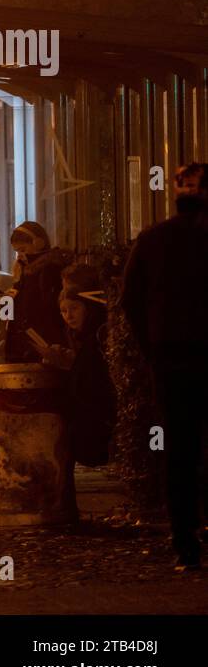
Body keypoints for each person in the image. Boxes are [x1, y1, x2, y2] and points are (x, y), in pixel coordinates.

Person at [120, 162, 208, 570]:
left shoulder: (154, 240)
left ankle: (185, 540)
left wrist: (151, 348)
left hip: (172, 357)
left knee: (180, 449)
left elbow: (130, 301)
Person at [41, 286, 115, 469]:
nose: (69, 316)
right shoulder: (82, 338)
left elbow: (90, 383)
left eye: (74, 308)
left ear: (87, 308)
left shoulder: (96, 338)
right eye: (64, 311)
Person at [4, 220, 70, 363]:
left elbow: (46, 307)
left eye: (23, 250)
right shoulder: (24, 271)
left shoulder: (48, 269)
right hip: (25, 340)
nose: (20, 255)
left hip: (40, 340)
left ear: (38, 243)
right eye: (17, 252)